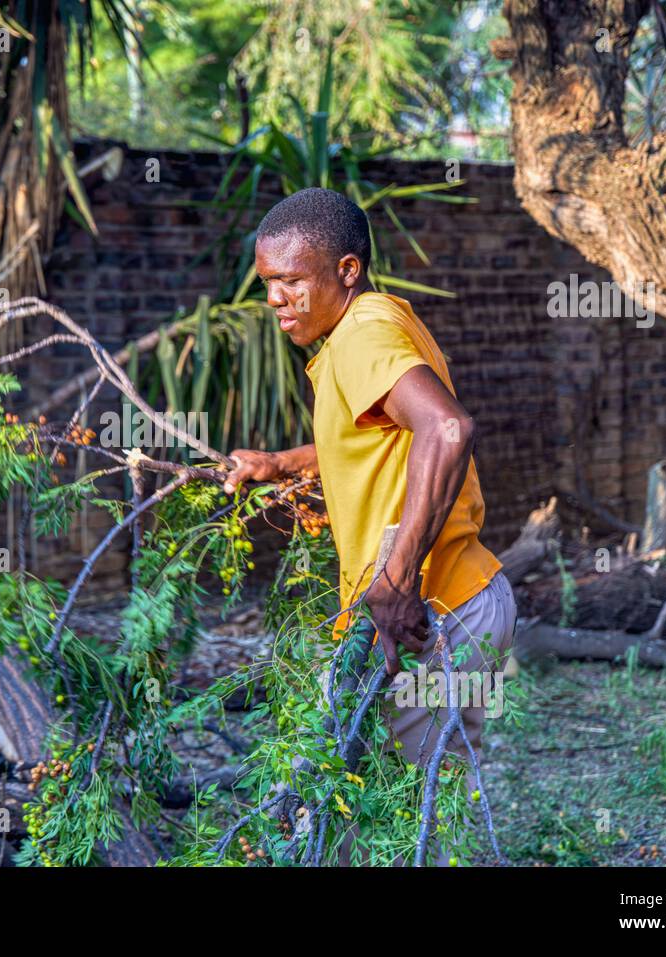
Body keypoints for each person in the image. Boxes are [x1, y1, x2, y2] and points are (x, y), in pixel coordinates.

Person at [221, 187, 518, 865]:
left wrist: (395, 577)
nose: (276, 299)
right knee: (422, 818)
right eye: (269, 283)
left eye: (293, 280)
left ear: (346, 271)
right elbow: (377, 437)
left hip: (428, 615)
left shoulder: (362, 335)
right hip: (468, 602)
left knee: (353, 812)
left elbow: (446, 429)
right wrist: (278, 463)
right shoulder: (375, 325)